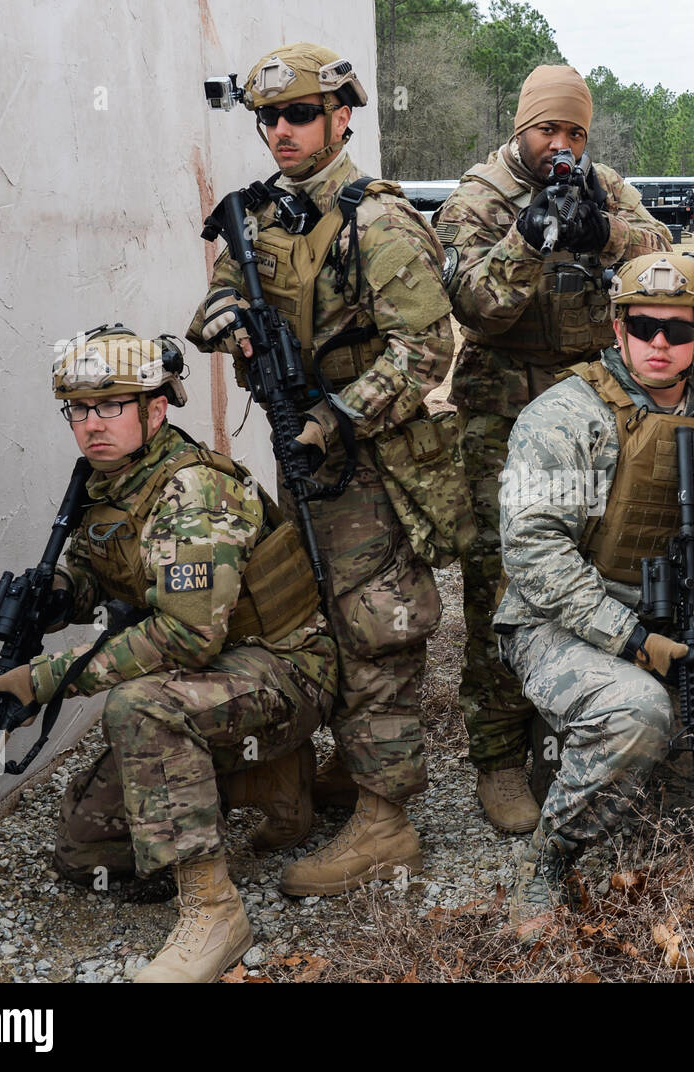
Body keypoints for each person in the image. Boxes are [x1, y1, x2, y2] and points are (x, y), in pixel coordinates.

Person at [0, 325, 337, 982]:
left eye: (110, 406)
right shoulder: (110, 479)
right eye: (78, 410)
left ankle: (214, 913)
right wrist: (59, 593)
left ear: (157, 407)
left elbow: (185, 636)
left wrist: (49, 679)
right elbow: (100, 566)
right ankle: (265, 777)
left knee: (140, 707)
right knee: (88, 852)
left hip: (284, 671)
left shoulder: (192, 492)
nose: (91, 425)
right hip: (215, 677)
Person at [186, 43, 458, 897]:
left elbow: (428, 349)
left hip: (369, 460)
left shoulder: (376, 222)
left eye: (300, 114)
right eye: (268, 117)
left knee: (378, 626)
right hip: (296, 449)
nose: (281, 132)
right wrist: (229, 318)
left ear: (343, 116)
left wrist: (335, 418)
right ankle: (351, 770)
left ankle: (387, 823)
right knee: (314, 619)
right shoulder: (258, 216)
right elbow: (214, 301)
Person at [492, 253, 694, 936]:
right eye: (643, 325)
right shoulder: (566, 417)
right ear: (617, 323)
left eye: (678, 328)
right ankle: (544, 867)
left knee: (691, 805)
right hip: (560, 621)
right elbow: (533, 553)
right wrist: (628, 640)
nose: (660, 343)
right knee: (636, 715)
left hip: (665, 615)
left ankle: (588, 759)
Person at [435, 65, 672, 834]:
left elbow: (662, 258)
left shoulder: (602, 186)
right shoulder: (478, 198)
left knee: (599, 556)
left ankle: (581, 717)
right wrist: (528, 238)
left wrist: (606, 232)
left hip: (591, 405)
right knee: (501, 576)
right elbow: (478, 307)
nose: (562, 145)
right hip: (500, 403)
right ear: (520, 128)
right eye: (548, 130)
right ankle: (497, 755)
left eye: (574, 132)